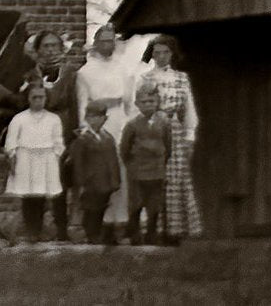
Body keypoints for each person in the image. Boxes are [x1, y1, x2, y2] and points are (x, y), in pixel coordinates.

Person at [73, 25, 135, 238]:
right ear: (96, 43)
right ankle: (103, 222)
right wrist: (86, 129)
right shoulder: (85, 72)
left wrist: (130, 124)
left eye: (111, 41)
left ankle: (123, 220)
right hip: (97, 122)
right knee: (100, 173)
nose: (108, 45)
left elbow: (130, 101)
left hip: (119, 120)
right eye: (104, 41)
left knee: (121, 170)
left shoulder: (123, 68)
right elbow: (83, 103)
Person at [142, 34, 202, 243]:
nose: (161, 56)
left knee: (176, 180)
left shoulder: (181, 78)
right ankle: (155, 229)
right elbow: (139, 107)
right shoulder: (146, 78)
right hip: (154, 129)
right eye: (157, 53)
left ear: (172, 54)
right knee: (156, 178)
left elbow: (189, 109)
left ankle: (175, 231)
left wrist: (189, 135)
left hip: (175, 129)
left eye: (165, 52)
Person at [27, 31, 83, 241]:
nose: (50, 51)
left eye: (54, 46)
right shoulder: (31, 75)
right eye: (46, 47)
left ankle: (61, 229)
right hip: (36, 128)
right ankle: (33, 228)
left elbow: (75, 103)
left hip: (61, 128)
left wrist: (75, 134)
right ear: (38, 50)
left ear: (60, 49)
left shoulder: (69, 74)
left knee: (59, 180)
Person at [3, 81, 66, 243]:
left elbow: (58, 142)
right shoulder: (19, 119)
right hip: (26, 158)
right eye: (35, 97)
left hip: (45, 159)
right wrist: (13, 157)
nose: (38, 101)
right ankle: (31, 230)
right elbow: (11, 141)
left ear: (46, 98)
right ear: (29, 99)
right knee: (28, 196)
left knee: (41, 196)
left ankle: (37, 229)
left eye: (42, 97)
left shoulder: (53, 119)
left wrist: (55, 156)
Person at [63, 99, 121, 244]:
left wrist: (115, 180)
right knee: (91, 209)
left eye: (99, 117)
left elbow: (114, 161)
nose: (95, 121)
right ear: (86, 118)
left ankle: (98, 233)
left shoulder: (108, 138)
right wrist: (81, 182)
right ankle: (91, 234)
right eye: (91, 117)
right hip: (91, 181)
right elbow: (78, 163)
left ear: (105, 119)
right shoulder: (82, 139)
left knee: (101, 207)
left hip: (106, 181)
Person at [119, 82, 171, 245]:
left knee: (154, 204)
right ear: (137, 104)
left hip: (156, 171)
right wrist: (132, 165)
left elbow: (168, 146)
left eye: (151, 101)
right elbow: (124, 149)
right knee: (136, 203)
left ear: (157, 102)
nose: (148, 105)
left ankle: (152, 233)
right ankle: (135, 234)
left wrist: (161, 162)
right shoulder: (132, 125)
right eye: (144, 102)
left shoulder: (164, 123)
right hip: (138, 171)